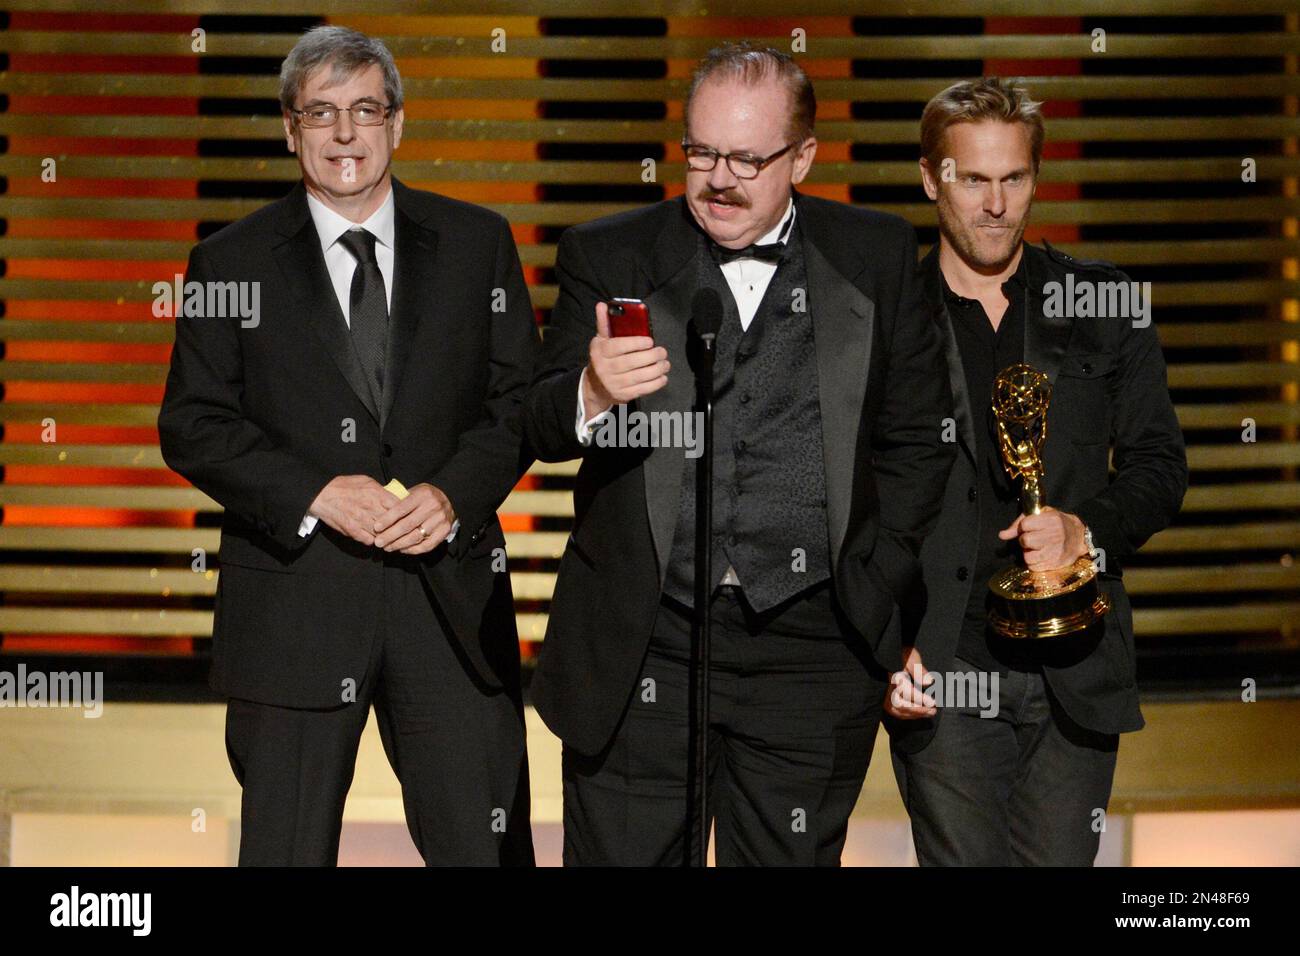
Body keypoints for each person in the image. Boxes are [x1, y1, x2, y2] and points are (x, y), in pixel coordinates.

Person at [523, 42, 955, 866]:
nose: (719, 178)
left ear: (803, 158)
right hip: (643, 645)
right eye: (702, 153)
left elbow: (917, 443)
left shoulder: (877, 255)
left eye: (748, 159)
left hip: (812, 649)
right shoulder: (608, 253)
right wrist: (590, 390)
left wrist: (875, 581)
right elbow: (535, 424)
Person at [158, 26, 538, 866]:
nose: (343, 134)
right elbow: (192, 422)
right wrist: (316, 492)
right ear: (290, 129)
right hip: (296, 607)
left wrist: (451, 495)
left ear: (397, 124)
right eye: (319, 113)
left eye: (364, 110)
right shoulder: (230, 260)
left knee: (485, 850)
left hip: (448, 601)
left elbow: (518, 401)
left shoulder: (478, 244)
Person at [886, 77, 1188, 865]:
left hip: (1076, 663)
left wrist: (1085, 531)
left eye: (1013, 179)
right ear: (931, 178)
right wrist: (885, 646)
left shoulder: (1105, 302)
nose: (996, 204)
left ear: (1034, 180)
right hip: (945, 668)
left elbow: (1159, 467)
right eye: (974, 179)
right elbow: (850, 501)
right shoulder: (885, 321)